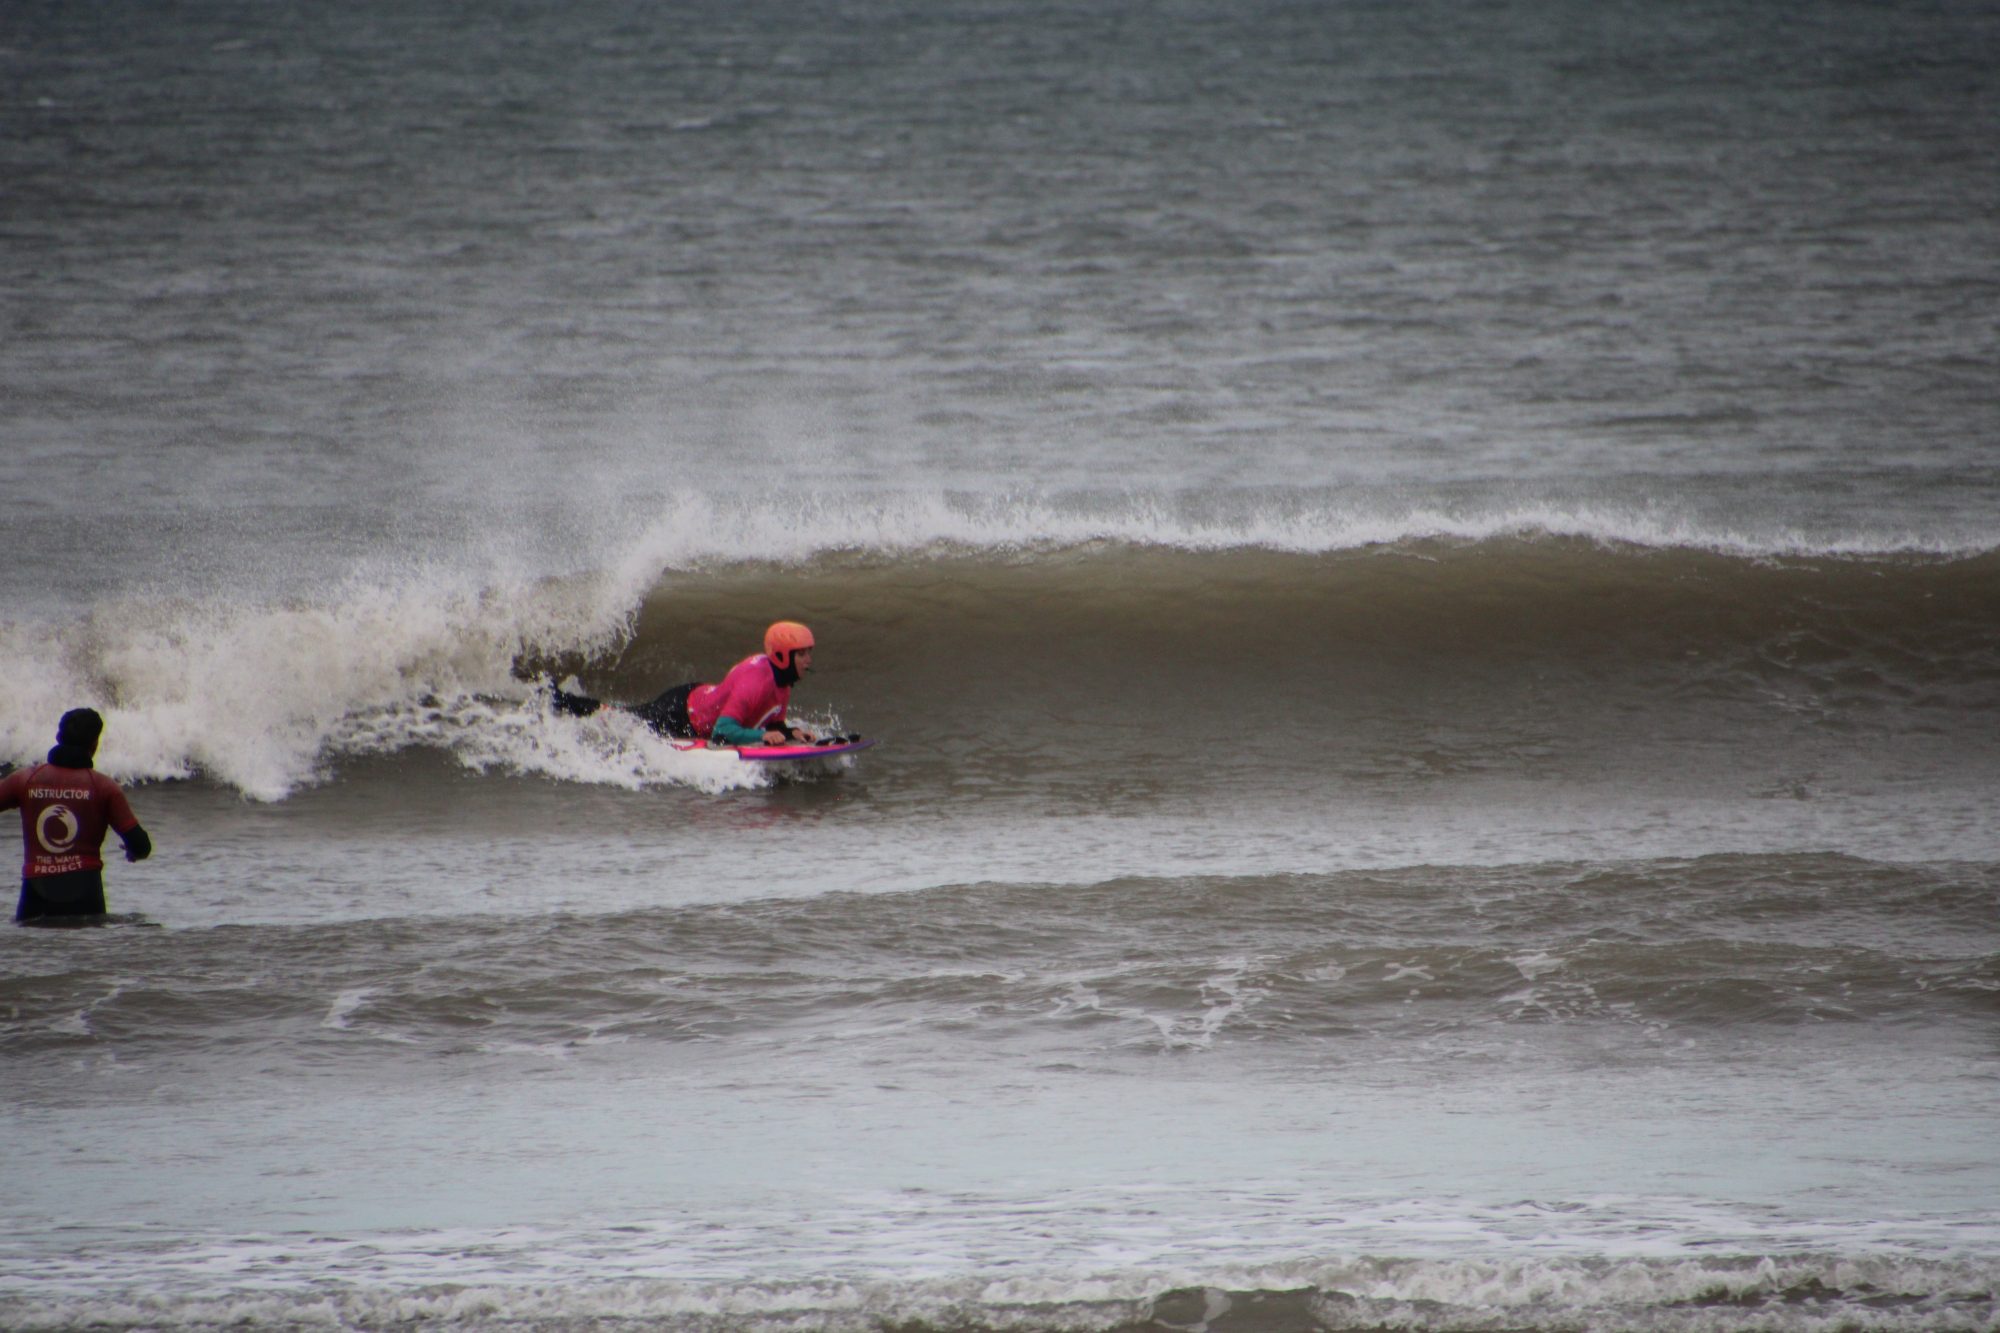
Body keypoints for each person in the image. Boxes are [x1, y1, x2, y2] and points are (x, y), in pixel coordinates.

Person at [549, 620, 826, 746]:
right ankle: (557, 699)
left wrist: (791, 733)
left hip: (699, 697)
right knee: (616, 718)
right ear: (781, 655)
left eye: (809, 652)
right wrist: (760, 737)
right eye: (802, 654)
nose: (808, 659)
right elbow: (722, 732)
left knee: (623, 713)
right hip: (679, 713)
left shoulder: (783, 680)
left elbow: (770, 720)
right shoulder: (755, 683)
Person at [1, 708, 152, 923]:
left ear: (58, 738)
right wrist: (133, 852)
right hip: (85, 895)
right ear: (94, 744)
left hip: (36, 895)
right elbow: (141, 844)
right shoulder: (103, 787)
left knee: (37, 954)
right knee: (85, 954)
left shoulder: (26, 780)